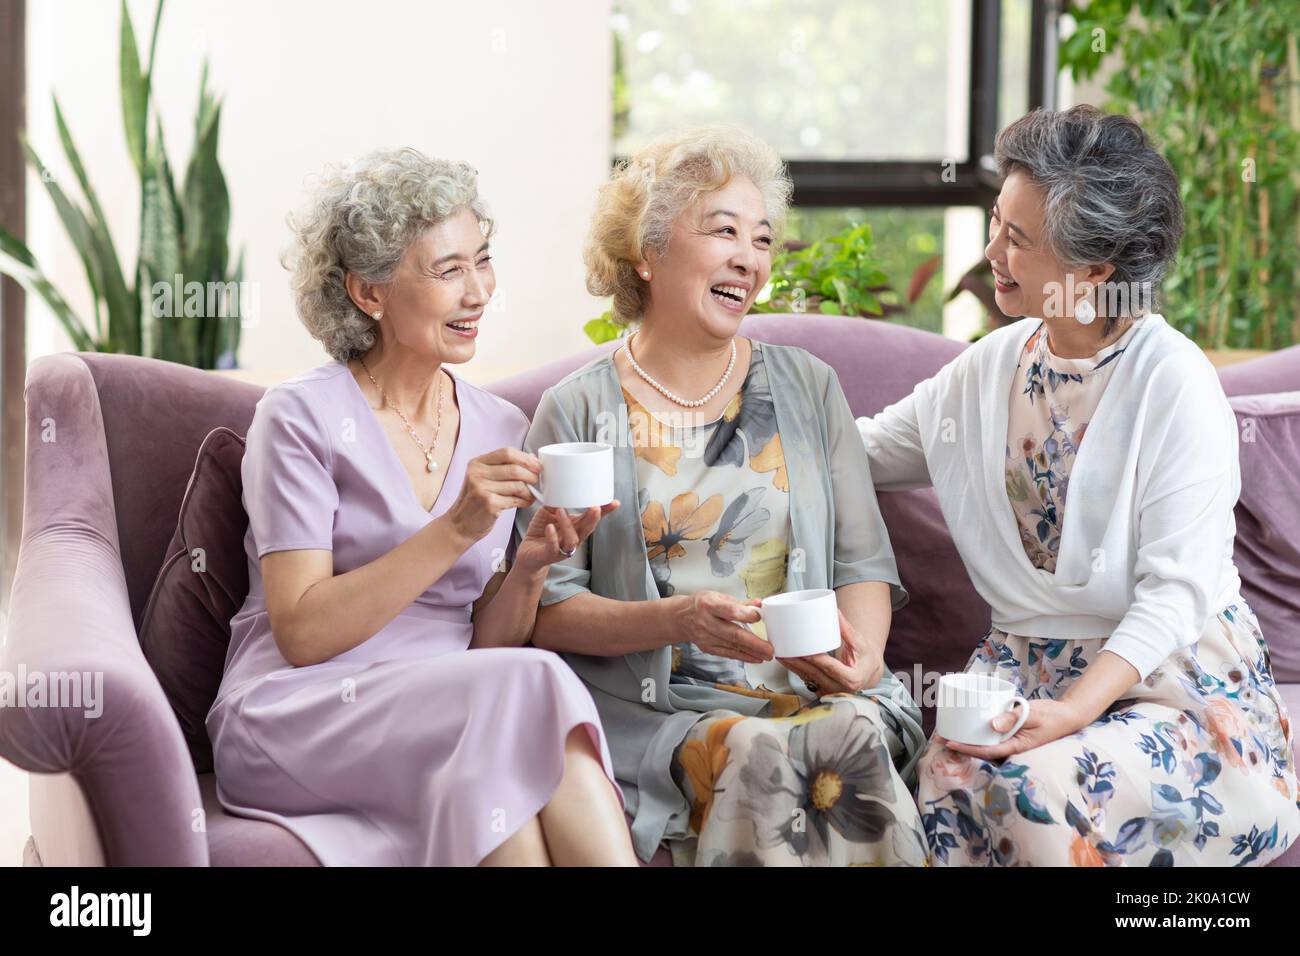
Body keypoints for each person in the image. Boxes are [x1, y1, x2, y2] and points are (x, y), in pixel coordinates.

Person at [860, 106, 1300, 866]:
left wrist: (1071, 711)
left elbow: (1174, 594)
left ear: (1095, 272)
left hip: (1168, 685)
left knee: (1032, 785)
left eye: (1018, 240)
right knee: (948, 781)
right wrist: (721, 412)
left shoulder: (1174, 382)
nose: (993, 251)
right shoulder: (990, 367)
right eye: (998, 223)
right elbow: (861, 453)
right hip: (1020, 677)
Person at [206, 147, 634, 866]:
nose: (479, 292)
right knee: (533, 690)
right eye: (448, 271)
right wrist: (456, 527)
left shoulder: (499, 425)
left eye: (482, 260)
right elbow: (304, 633)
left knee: (499, 794)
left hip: (448, 714)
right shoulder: (300, 417)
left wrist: (529, 566)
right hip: (300, 709)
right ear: (369, 294)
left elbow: (481, 651)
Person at [517, 126, 929, 867]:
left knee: (848, 734)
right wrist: (676, 620)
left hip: (816, 695)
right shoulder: (574, 410)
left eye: (763, 238)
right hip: (667, 716)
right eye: (724, 230)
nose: (750, 256)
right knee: (761, 753)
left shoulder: (809, 387)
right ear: (647, 252)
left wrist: (861, 663)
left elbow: (862, 562)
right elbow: (546, 613)